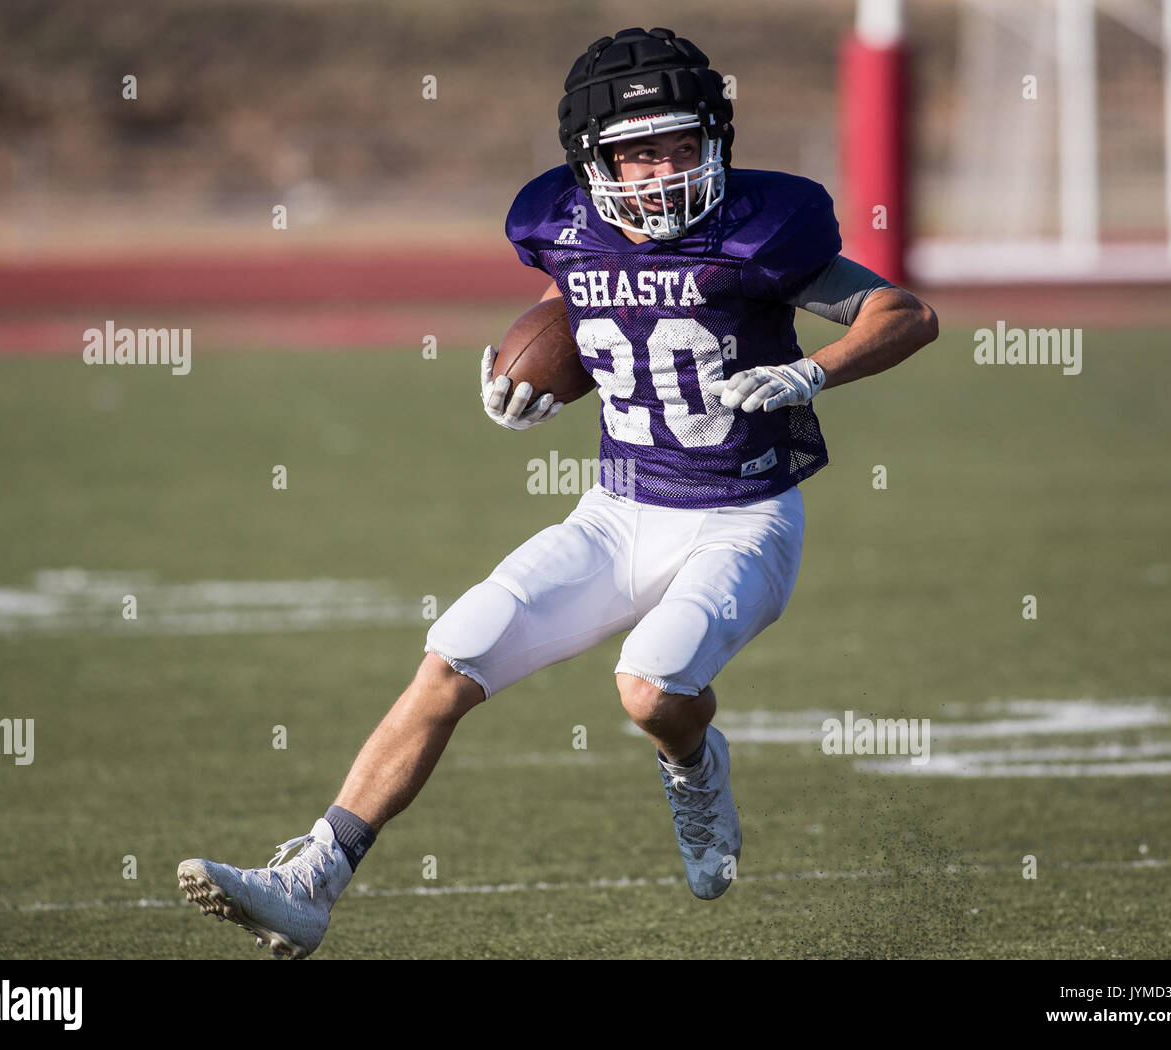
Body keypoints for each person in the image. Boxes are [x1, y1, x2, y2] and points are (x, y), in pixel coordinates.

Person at [178, 26, 938, 959]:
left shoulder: (758, 227)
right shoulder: (559, 226)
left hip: (744, 517)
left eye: (679, 145)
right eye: (635, 151)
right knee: (453, 654)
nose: (661, 172)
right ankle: (312, 878)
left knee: (651, 688)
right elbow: (576, 310)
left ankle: (694, 767)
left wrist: (810, 372)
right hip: (618, 513)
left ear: (717, 140)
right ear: (591, 163)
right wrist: (519, 378)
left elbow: (906, 313)